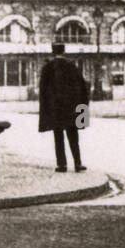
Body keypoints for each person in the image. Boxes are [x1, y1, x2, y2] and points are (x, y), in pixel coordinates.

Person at [39, 43, 89, 173]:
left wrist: (46, 111)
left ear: (52, 52)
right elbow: (83, 88)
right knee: (73, 136)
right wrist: (83, 112)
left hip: (55, 109)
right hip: (71, 109)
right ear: (64, 51)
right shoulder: (72, 66)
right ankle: (78, 164)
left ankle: (62, 165)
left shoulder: (48, 67)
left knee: (58, 136)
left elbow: (43, 91)